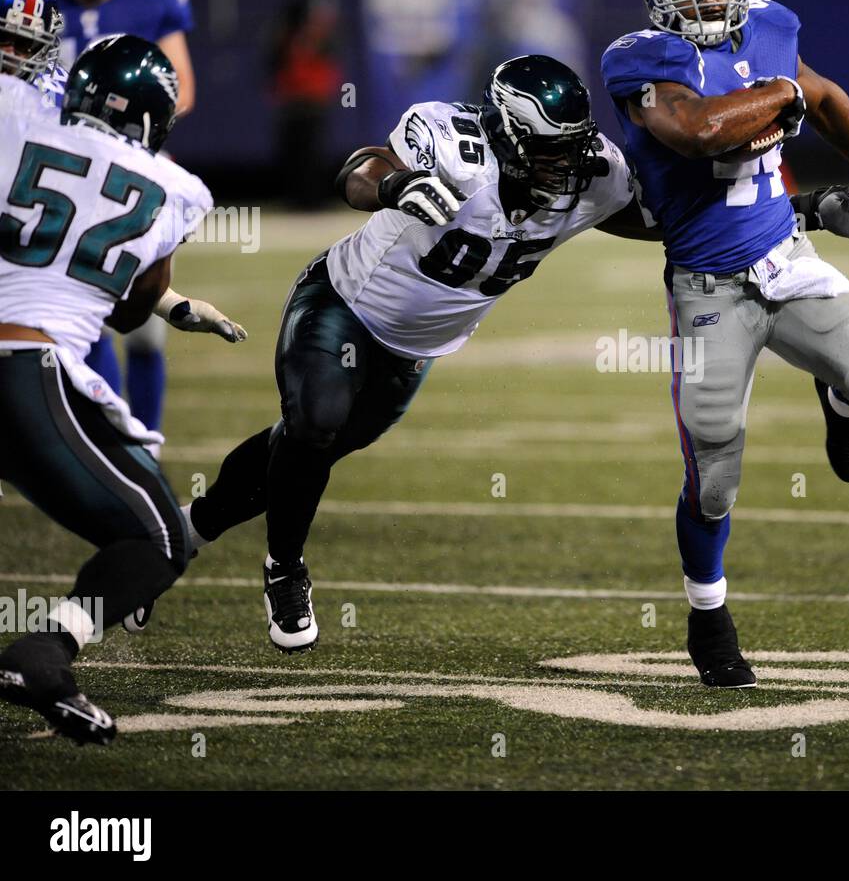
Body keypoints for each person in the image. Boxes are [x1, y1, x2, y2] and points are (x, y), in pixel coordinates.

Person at [174, 55, 656, 653]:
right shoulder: (451, 143)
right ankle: (284, 568)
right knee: (314, 424)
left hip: (413, 352)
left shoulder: (593, 172)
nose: (565, 167)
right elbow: (357, 171)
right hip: (343, 303)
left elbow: (656, 220)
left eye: (571, 149)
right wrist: (395, 186)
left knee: (300, 450)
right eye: (547, 151)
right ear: (505, 134)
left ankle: (186, 531)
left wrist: (769, 214)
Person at [600, 0, 849, 687]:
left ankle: (835, 397)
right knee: (712, 474)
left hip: (785, 258)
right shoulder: (642, 61)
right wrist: (780, 94)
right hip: (707, 286)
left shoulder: (771, 25)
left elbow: (824, 95)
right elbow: (702, 133)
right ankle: (709, 615)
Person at [0, 33, 244, 745]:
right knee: (161, 535)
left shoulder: (18, 123)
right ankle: (43, 652)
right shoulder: (175, 185)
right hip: (27, 368)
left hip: (24, 355)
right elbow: (135, 304)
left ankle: (41, 657)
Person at [55, 0, 199, 433]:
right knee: (86, 314)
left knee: (143, 329)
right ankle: (113, 437)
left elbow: (180, 92)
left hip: (134, 176)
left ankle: (146, 444)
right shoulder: (48, 2)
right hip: (69, 176)